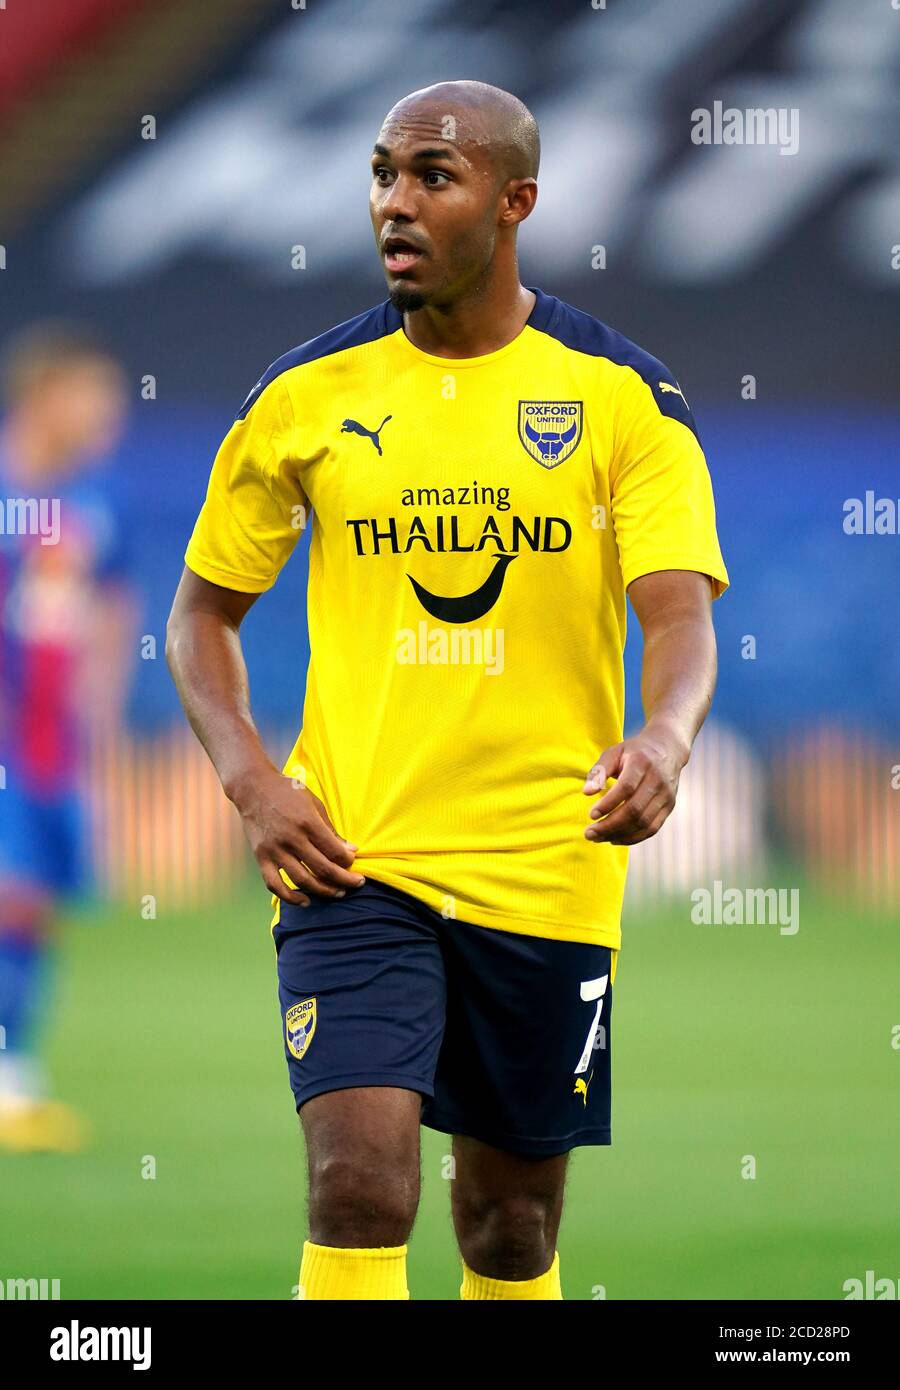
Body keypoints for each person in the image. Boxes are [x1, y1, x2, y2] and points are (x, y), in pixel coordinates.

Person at [167, 80, 729, 1300]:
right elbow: (201, 617)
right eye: (380, 174)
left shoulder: (624, 398)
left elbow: (680, 614)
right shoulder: (305, 396)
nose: (393, 203)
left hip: (548, 865)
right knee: (357, 1185)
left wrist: (668, 738)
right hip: (354, 858)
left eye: (432, 174)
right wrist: (255, 782)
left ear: (515, 200)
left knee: (510, 1228)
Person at [0, 323, 133, 1152]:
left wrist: (99, 724)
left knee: (34, 907)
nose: (108, 415)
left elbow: (112, 610)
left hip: (53, 744)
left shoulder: (89, 504)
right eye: (94, 396)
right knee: (11, 896)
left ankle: (17, 1075)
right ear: (48, 394)